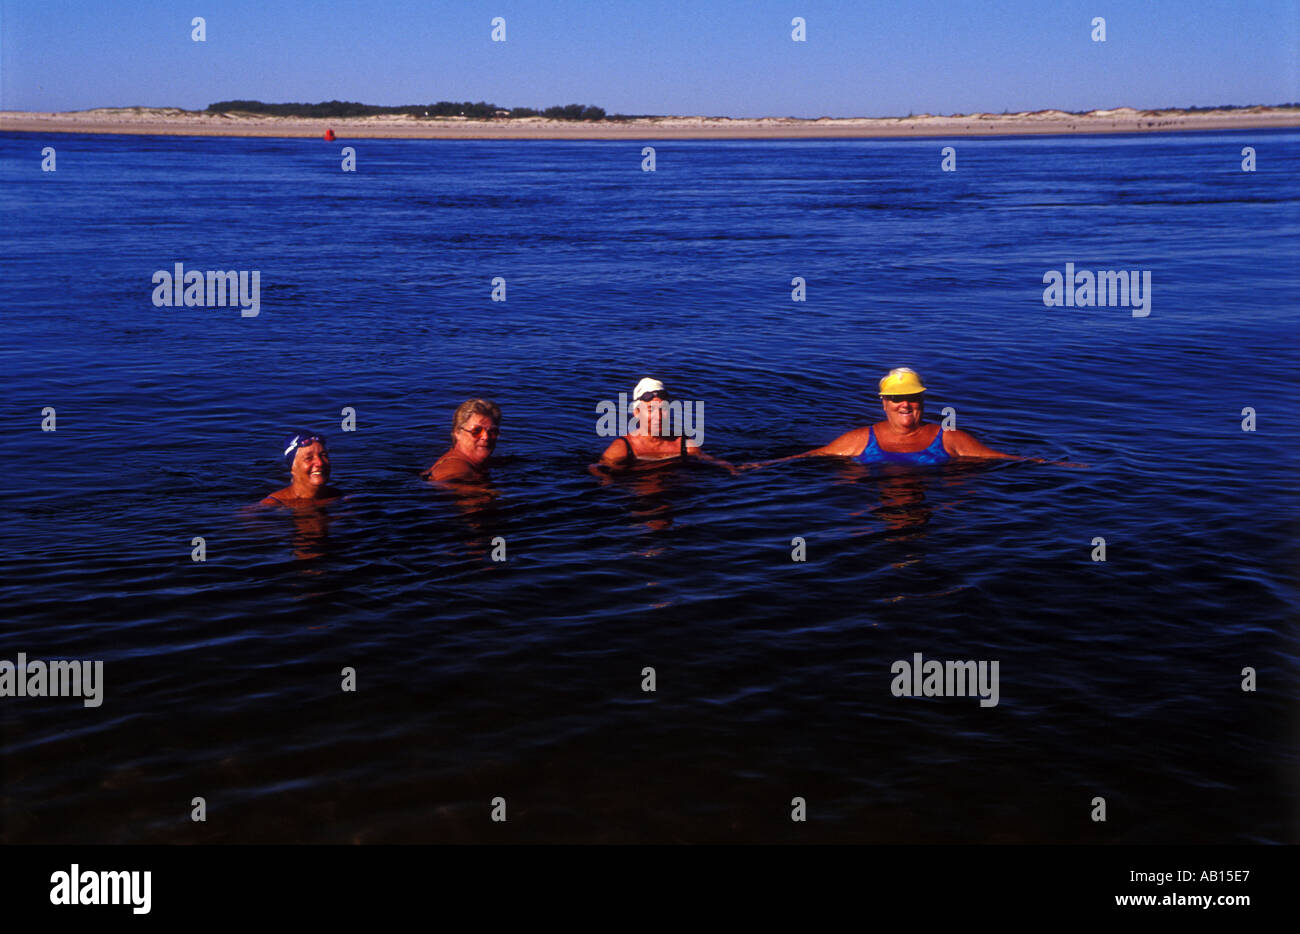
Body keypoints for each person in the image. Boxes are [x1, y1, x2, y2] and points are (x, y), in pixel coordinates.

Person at [749, 368, 1080, 468]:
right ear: (884, 403)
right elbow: (806, 459)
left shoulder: (950, 438)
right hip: (877, 513)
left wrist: (1054, 464)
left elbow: (1005, 460)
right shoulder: (859, 440)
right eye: (896, 398)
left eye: (912, 397)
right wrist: (751, 467)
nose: (904, 405)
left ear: (923, 400)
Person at [597, 377, 735, 472]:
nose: (658, 416)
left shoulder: (682, 442)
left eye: (663, 409)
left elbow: (709, 460)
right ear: (637, 413)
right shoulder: (624, 447)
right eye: (651, 410)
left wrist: (733, 468)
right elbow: (597, 469)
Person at [258, 431, 344, 506]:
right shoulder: (272, 505)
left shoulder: (340, 497)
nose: (320, 463)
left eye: (323, 455)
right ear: (292, 467)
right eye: (308, 458)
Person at [428, 398, 501, 483]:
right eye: (477, 431)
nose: (486, 437)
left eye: (493, 431)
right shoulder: (457, 470)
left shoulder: (465, 463)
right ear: (457, 433)